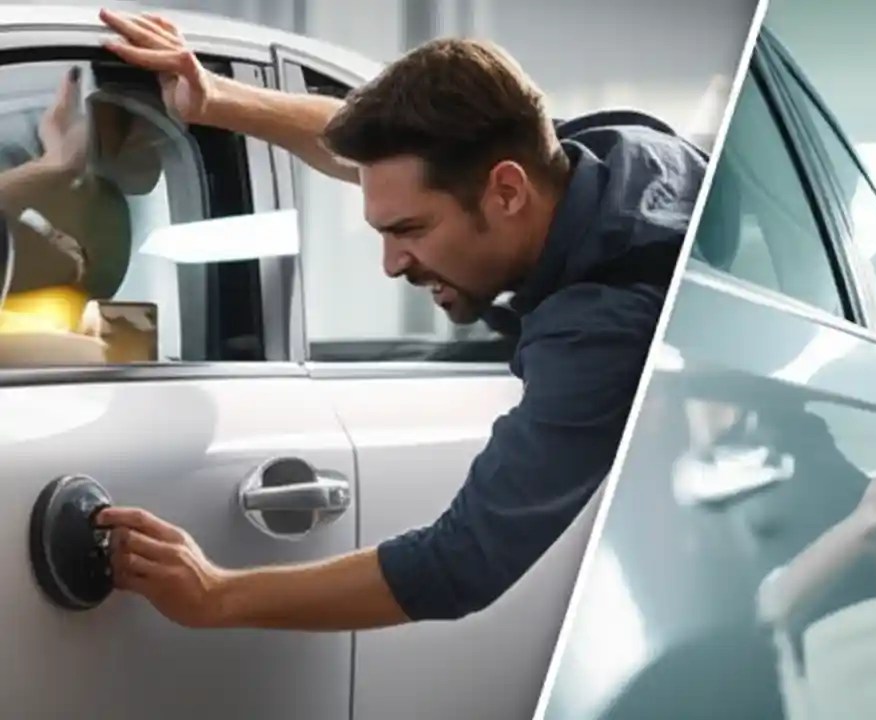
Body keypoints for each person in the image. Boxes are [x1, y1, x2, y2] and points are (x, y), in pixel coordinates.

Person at [91, 9, 706, 630]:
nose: (390, 265)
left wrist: (215, 595)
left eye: (410, 230)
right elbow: (387, 164)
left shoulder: (604, 329)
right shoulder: (605, 154)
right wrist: (218, 99)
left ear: (509, 192)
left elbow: (458, 564)